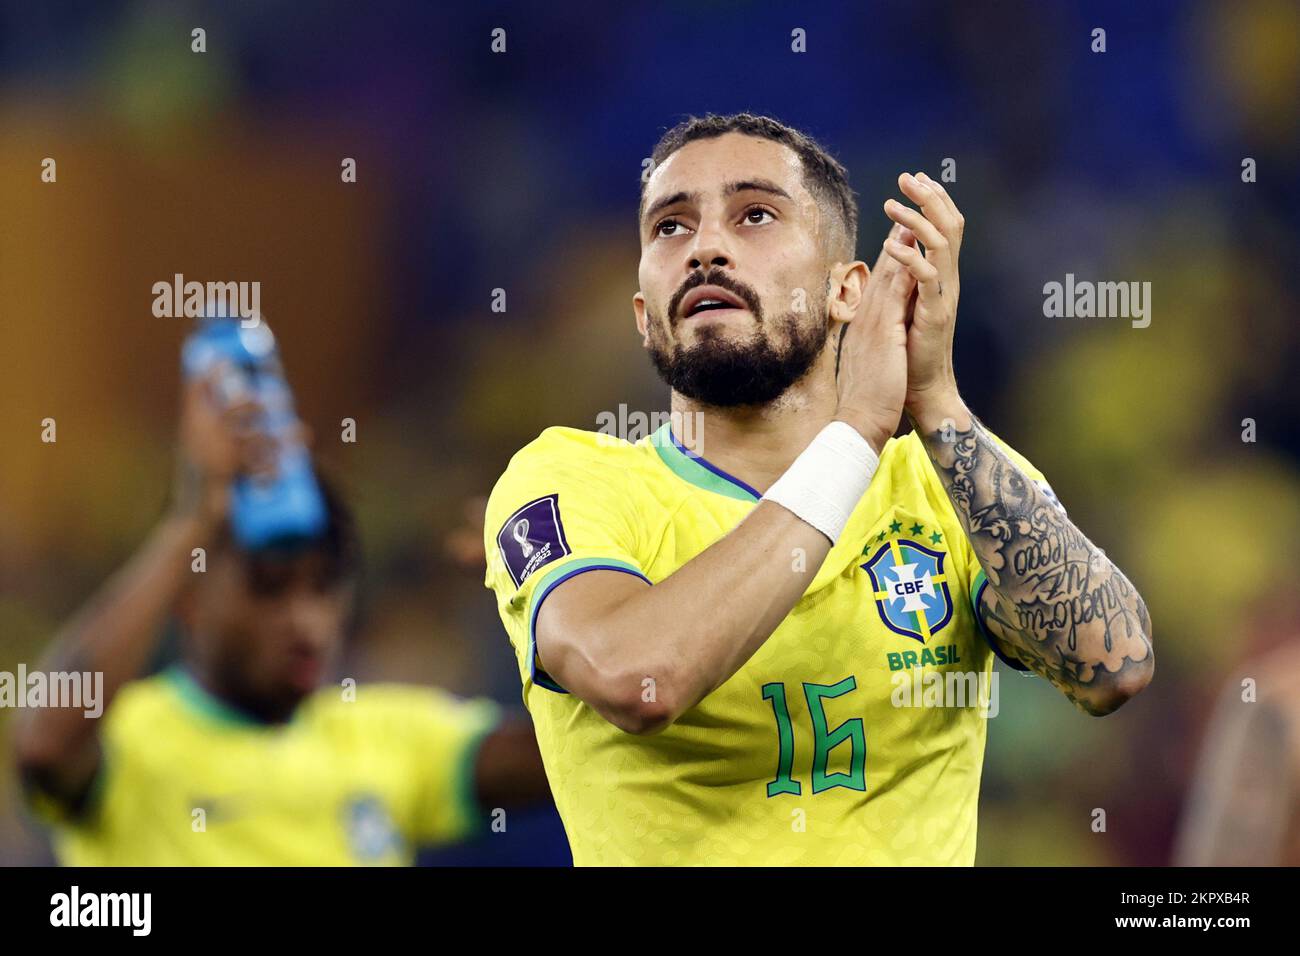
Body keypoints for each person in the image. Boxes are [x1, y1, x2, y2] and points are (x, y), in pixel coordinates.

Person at [483, 113, 1154, 865]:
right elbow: (640, 680)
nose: (705, 246)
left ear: (847, 294)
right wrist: (859, 429)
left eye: (756, 215)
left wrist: (935, 401)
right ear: (645, 316)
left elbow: (1112, 666)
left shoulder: (944, 481)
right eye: (671, 227)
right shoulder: (572, 481)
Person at [14, 370, 549, 865]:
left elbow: (567, 757)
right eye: (269, 588)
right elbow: (43, 744)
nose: (307, 621)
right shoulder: (131, 742)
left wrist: (548, 579)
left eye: (325, 586)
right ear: (190, 597)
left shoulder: (386, 734)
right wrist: (192, 522)